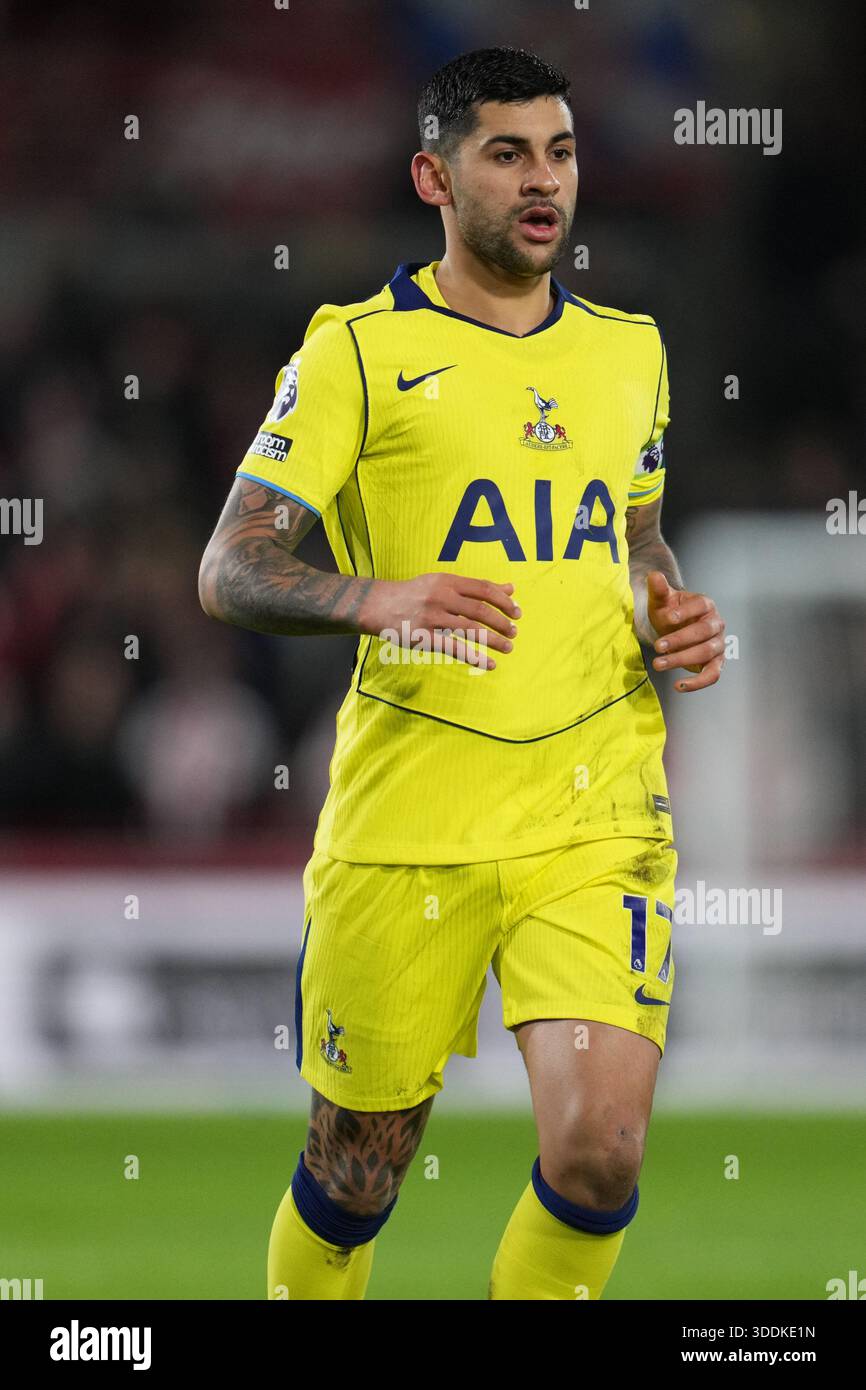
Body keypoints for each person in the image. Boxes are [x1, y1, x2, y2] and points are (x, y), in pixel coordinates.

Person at [199, 46, 726, 1301]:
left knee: (600, 1150)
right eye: (507, 153)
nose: (543, 180)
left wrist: (666, 610)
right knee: (355, 1175)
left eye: (560, 151)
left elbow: (636, 532)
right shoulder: (356, 354)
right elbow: (231, 565)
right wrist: (376, 596)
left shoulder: (629, 351)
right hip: (411, 814)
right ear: (433, 176)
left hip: (593, 804)